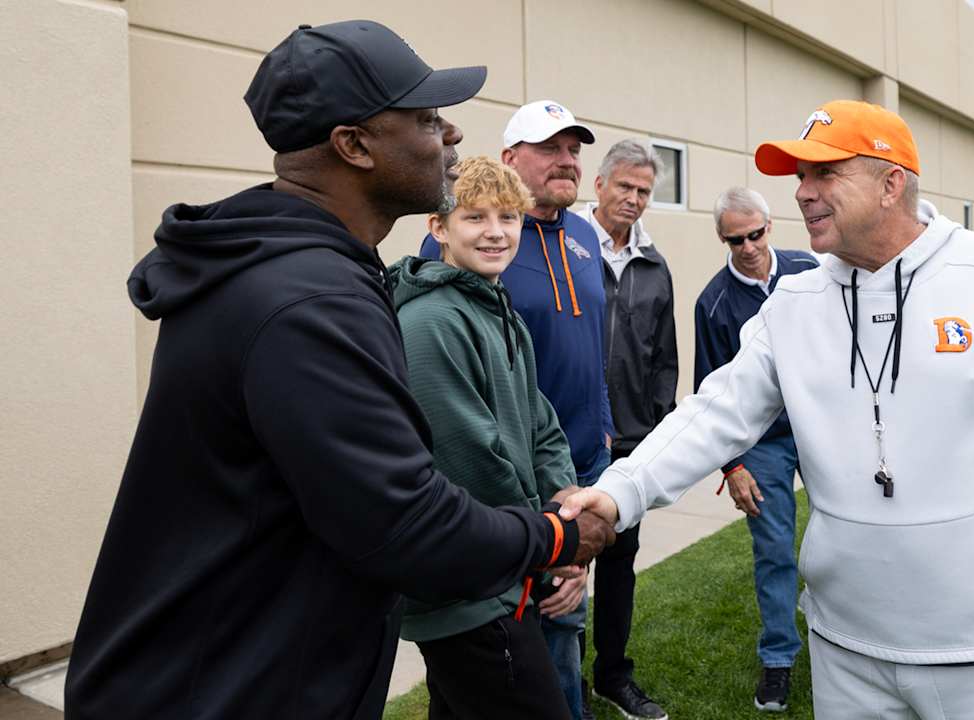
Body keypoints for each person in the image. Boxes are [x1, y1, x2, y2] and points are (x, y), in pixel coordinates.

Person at [64, 21, 612, 720]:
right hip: (219, 691)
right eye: (424, 119)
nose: (448, 136)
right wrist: (559, 535)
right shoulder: (306, 302)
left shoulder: (307, 271)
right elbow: (407, 524)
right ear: (353, 145)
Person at [561, 100, 974, 719]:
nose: (802, 194)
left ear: (891, 183)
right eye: (799, 176)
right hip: (846, 654)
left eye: (824, 174)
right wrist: (620, 492)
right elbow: (715, 412)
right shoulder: (794, 302)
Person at [420, 100, 611, 720]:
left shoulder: (501, 300)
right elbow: (472, 454)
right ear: (440, 227)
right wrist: (556, 539)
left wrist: (566, 500)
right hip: (484, 564)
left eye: (507, 217)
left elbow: (540, 420)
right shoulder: (435, 315)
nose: (496, 230)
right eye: (475, 217)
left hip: (543, 519)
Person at [693, 186, 818, 712]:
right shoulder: (714, 303)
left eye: (756, 234)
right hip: (761, 445)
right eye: (735, 238)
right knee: (773, 551)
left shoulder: (810, 270)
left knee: (852, 526)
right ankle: (778, 659)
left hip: (821, 427)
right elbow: (712, 392)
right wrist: (734, 464)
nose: (747, 246)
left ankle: (857, 633)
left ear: (771, 226)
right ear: (723, 238)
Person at [576, 139, 676, 720]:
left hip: (630, 446)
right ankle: (564, 684)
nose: (634, 200)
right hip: (572, 435)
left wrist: (653, 429)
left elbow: (664, 358)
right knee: (560, 565)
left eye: (643, 192)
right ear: (600, 185)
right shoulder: (569, 246)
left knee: (618, 568)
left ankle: (612, 675)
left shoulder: (654, 264)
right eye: (625, 188)